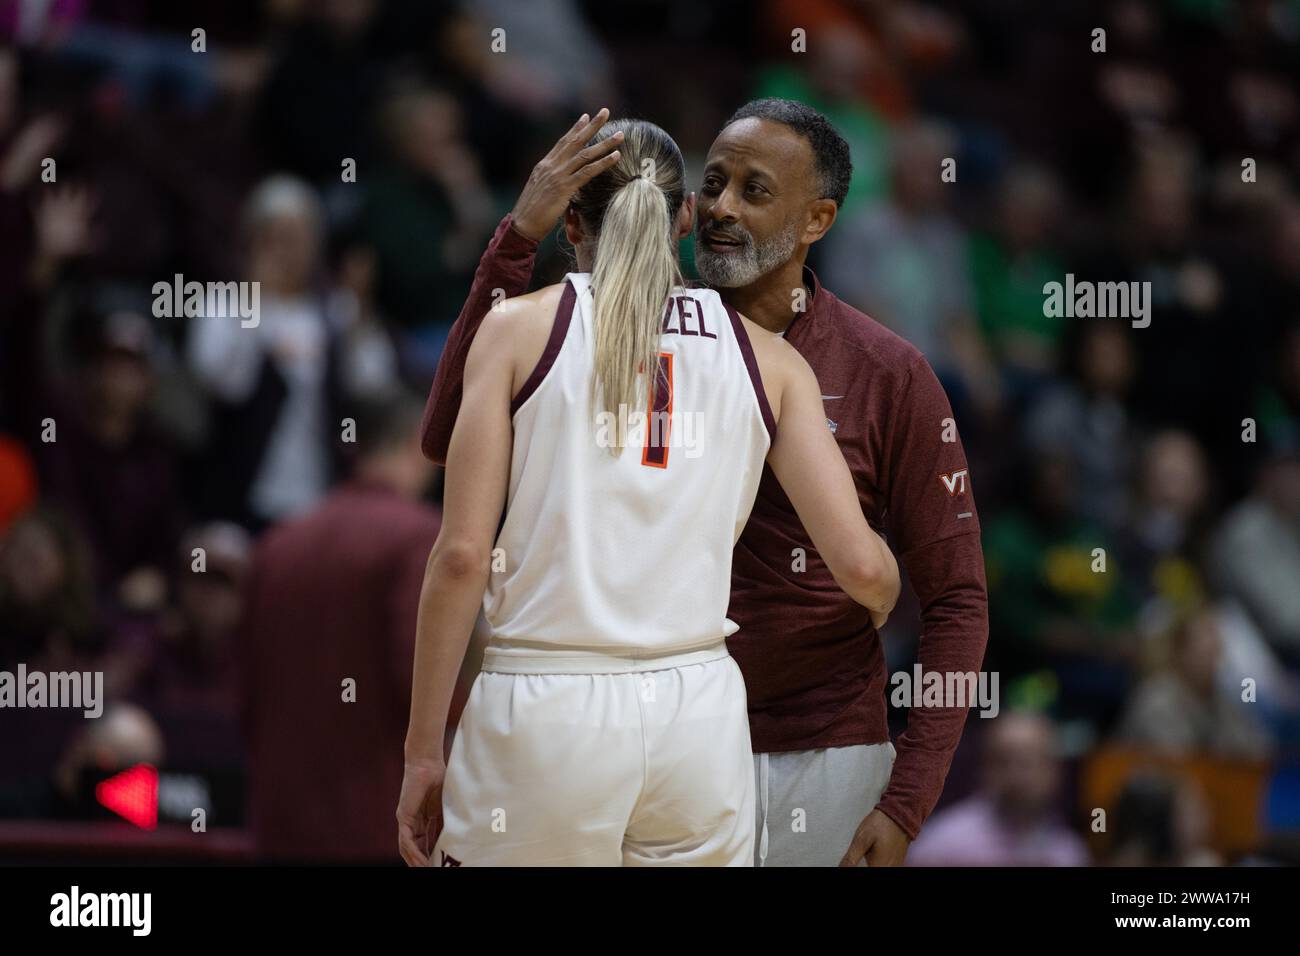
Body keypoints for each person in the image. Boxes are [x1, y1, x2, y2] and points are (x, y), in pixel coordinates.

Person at [417, 103, 988, 866]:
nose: (722, 207)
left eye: (754, 191)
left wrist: (910, 796)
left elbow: (957, 598)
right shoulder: (739, 354)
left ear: (818, 218)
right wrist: (514, 244)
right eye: (713, 184)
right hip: (701, 721)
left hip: (804, 744)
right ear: (679, 212)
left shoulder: (890, 373)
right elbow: (867, 568)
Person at [240, 393, 440, 863]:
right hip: (377, 825)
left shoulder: (278, 543)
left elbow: (247, 694)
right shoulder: (418, 538)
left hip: (279, 827)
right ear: (418, 442)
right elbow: (422, 684)